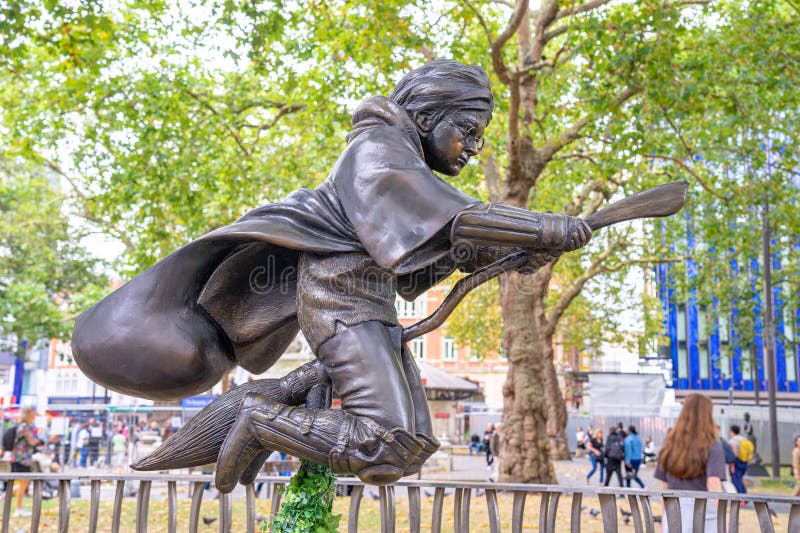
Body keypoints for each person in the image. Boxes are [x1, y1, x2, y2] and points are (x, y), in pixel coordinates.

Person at [74, 60, 592, 489]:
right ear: (427, 115)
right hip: (342, 307)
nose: (474, 148)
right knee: (381, 439)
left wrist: (504, 255)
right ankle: (259, 419)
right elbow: (459, 217)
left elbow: (415, 266)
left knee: (405, 449)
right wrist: (543, 228)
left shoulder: (399, 162)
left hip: (371, 307)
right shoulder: (378, 150)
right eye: (468, 132)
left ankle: (275, 407)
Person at [655, 393, 725, 532]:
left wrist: (664, 519)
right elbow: (713, 484)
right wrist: (723, 522)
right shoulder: (712, 445)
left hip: (673, 515)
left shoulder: (669, 443)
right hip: (704, 515)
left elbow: (664, 486)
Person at [10, 406, 38, 516]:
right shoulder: (25, 426)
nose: (34, 414)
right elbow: (32, 441)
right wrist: (36, 440)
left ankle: (18, 507)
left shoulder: (25, 425)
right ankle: (18, 509)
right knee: (23, 483)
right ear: (29, 413)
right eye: (33, 412)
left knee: (24, 484)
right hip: (21, 459)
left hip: (22, 458)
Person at [727, 425, 749, 494]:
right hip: (744, 461)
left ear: (732, 432)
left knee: (735, 479)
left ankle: (741, 497)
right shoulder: (744, 439)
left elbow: (732, 454)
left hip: (736, 462)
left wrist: (732, 464)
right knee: (740, 478)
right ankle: (744, 495)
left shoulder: (732, 441)